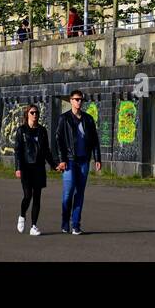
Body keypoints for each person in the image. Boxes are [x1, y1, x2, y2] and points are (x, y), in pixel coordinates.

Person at [54, 90, 101, 235]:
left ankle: (76, 225)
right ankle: (64, 221)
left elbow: (94, 140)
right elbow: (58, 139)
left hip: (83, 161)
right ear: (71, 101)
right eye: (76, 99)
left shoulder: (88, 119)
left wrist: (97, 158)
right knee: (68, 193)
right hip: (69, 160)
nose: (79, 102)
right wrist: (61, 160)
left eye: (81, 99)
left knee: (79, 193)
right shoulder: (64, 118)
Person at [13, 104, 57, 237]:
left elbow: (46, 151)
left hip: (38, 167)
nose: (35, 115)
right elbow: (18, 151)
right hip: (26, 167)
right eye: (32, 113)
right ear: (27, 115)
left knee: (37, 197)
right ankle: (22, 216)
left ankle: (33, 226)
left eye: (37, 113)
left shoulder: (42, 131)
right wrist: (18, 168)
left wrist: (54, 165)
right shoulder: (22, 131)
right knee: (28, 195)